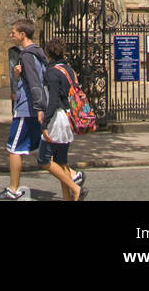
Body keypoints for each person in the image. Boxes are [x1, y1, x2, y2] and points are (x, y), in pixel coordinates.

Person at [0, 17, 47, 201]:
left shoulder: (27, 55)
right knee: (44, 150)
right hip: (34, 109)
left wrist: (39, 107)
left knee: (14, 149)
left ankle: (13, 190)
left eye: (14, 32)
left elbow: (35, 83)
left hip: (26, 110)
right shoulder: (39, 53)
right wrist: (18, 74)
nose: (11, 35)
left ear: (22, 34)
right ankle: (72, 177)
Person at [37, 39, 85, 201]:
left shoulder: (51, 72)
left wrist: (45, 124)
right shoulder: (69, 70)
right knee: (61, 161)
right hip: (68, 117)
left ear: (48, 54)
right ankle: (67, 198)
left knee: (44, 159)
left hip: (56, 119)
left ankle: (75, 188)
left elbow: (53, 100)